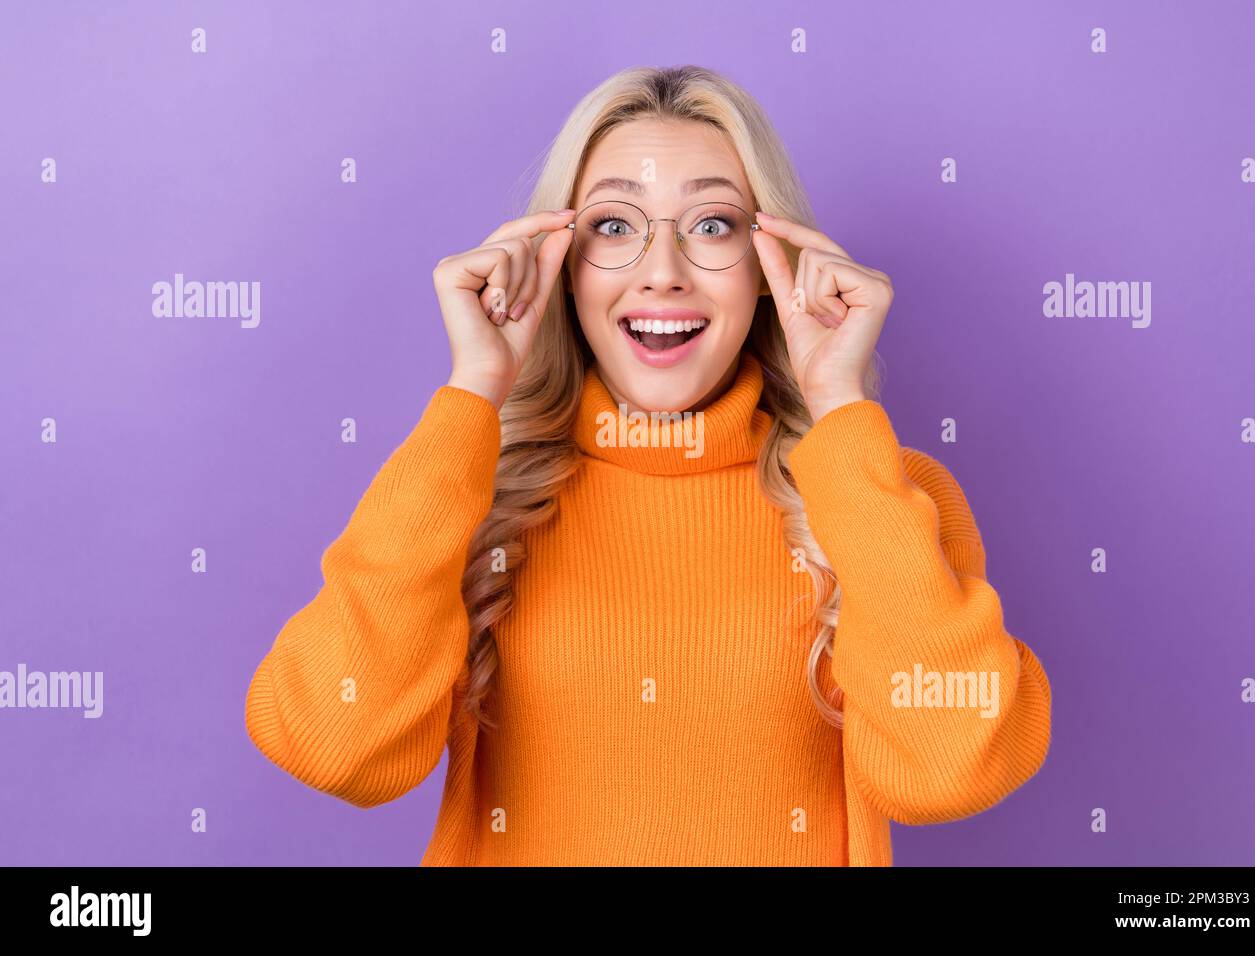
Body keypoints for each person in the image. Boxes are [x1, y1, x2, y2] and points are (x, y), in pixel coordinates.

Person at [244, 64, 1052, 866]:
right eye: (615, 225)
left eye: (710, 225)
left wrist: (838, 406)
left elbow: (954, 769)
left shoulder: (879, 490)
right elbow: (335, 748)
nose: (661, 270)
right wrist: (474, 396)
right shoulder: (473, 492)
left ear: (772, 272)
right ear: (557, 266)